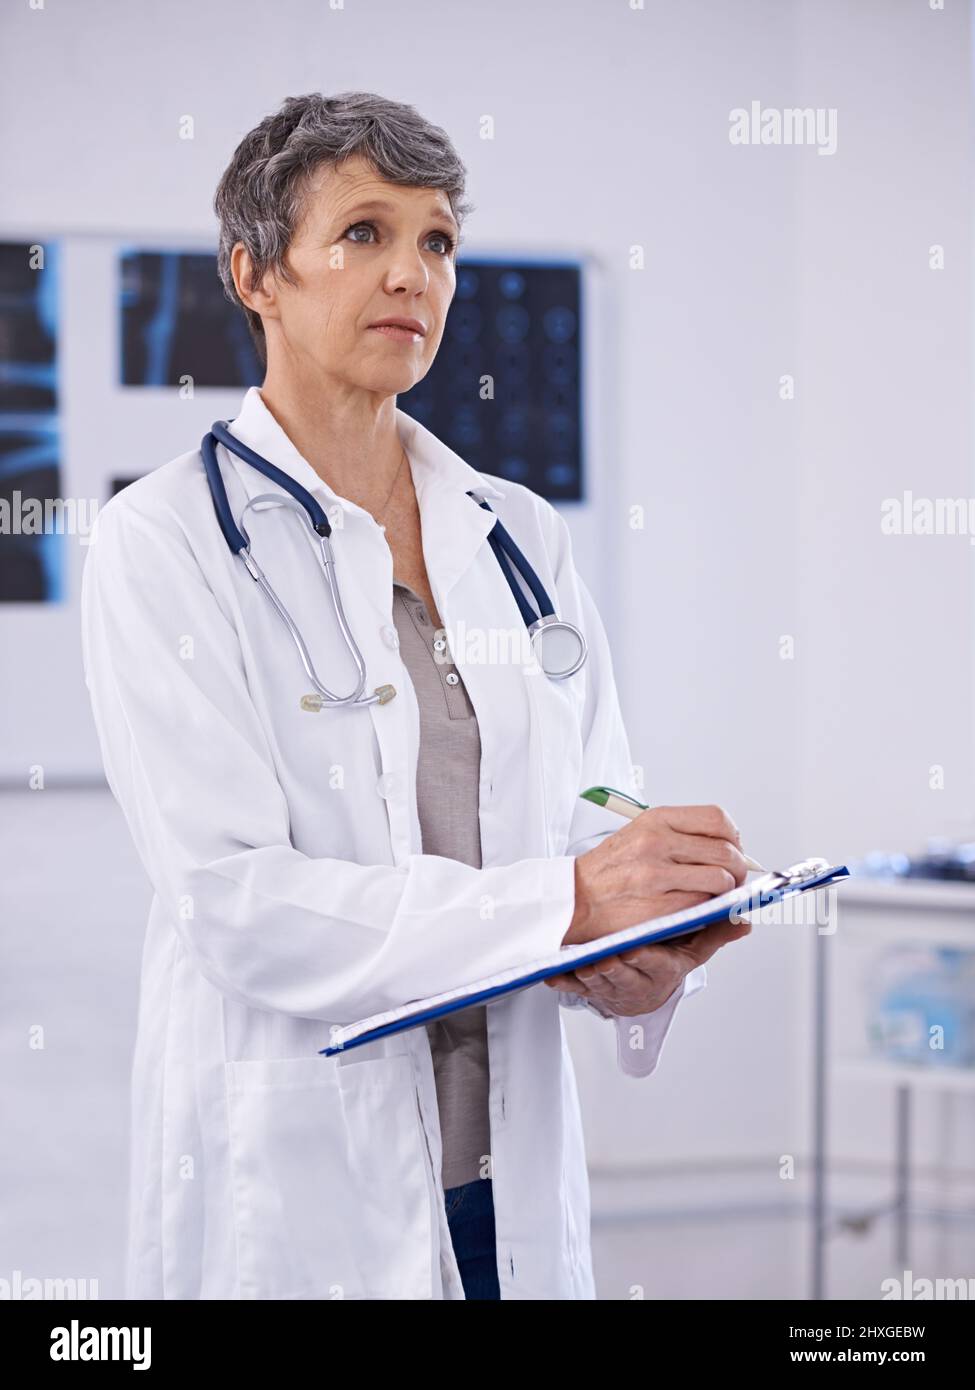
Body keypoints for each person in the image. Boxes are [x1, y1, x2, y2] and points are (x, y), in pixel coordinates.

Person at [80, 90, 752, 1301]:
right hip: (303, 1183)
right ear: (255, 274)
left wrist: (641, 940)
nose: (412, 274)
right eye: (363, 234)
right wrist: (564, 904)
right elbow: (237, 902)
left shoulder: (519, 533)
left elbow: (596, 802)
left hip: (510, 1174)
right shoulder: (163, 538)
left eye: (437, 240)